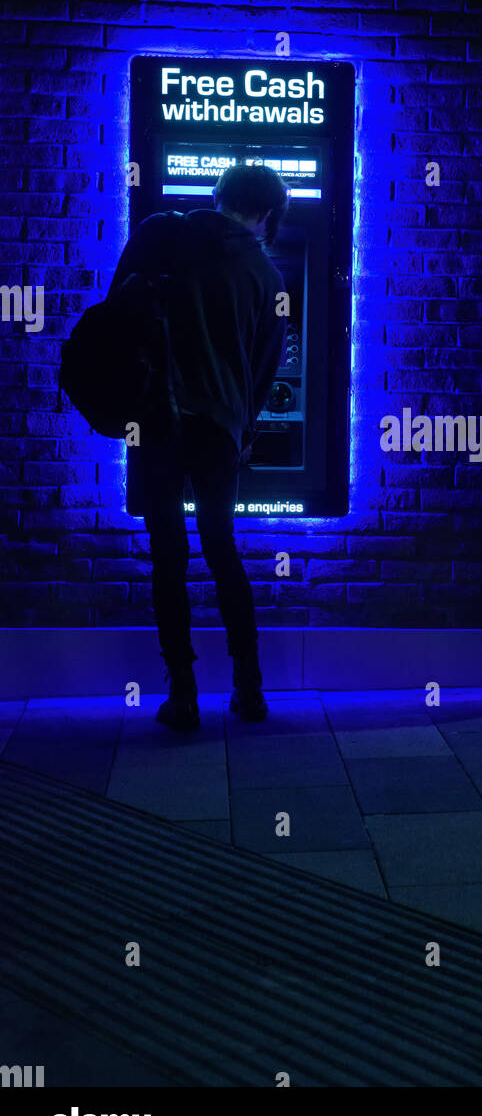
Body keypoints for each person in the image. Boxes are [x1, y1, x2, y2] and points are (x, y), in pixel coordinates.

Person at [109, 165, 289, 731]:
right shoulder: (267, 277)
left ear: (220, 194)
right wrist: (240, 424)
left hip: (157, 419)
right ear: (267, 215)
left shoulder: (164, 231)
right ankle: (250, 689)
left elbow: (115, 312)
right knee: (222, 549)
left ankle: (182, 695)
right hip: (220, 429)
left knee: (169, 555)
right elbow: (263, 374)